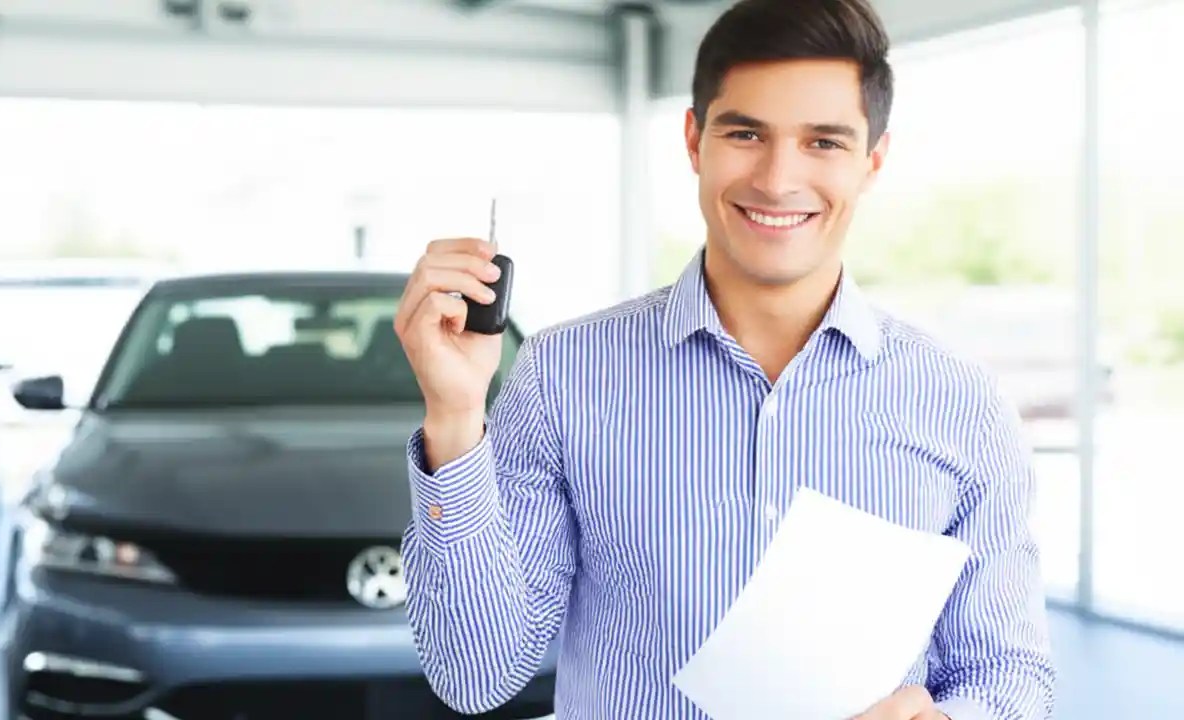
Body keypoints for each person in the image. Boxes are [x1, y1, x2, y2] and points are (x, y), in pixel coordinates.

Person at [391, 0, 1057, 717]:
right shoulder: (565, 374)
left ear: (872, 163)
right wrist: (455, 418)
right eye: (746, 133)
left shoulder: (960, 403)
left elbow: (1010, 672)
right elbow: (474, 674)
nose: (776, 179)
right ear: (693, 140)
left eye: (823, 142)